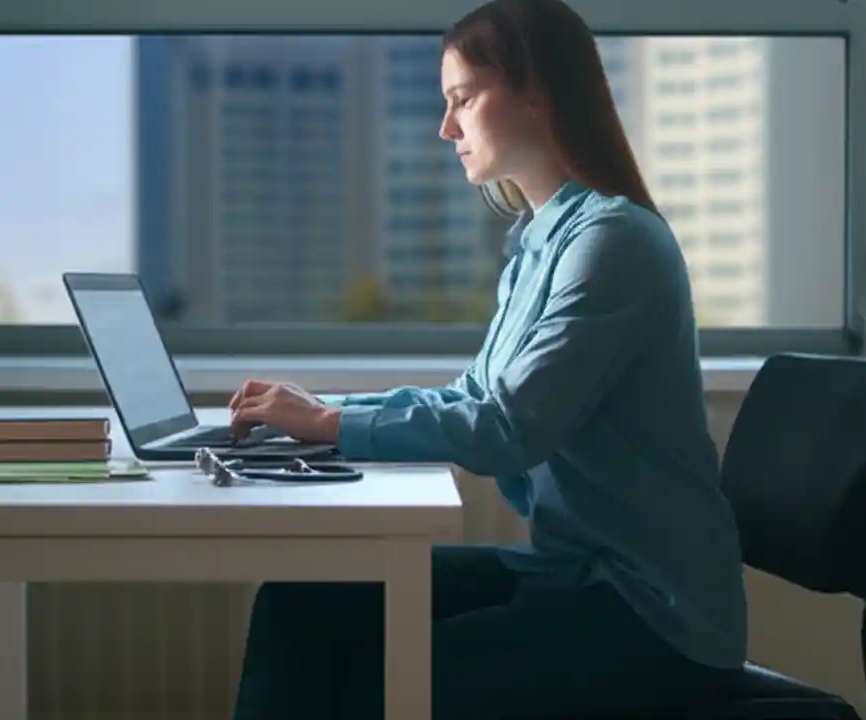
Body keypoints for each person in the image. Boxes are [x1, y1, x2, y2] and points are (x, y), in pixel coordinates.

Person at [226, 0, 747, 716]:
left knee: (376, 685)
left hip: (652, 611)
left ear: (537, 90)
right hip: (571, 574)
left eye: (462, 99)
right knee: (302, 608)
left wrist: (328, 422)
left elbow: (508, 428)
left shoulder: (614, 242)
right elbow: (473, 394)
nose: (447, 128)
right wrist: (326, 413)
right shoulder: (540, 242)